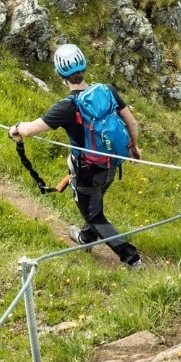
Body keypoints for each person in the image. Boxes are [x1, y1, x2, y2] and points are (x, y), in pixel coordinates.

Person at [9, 43, 144, 267]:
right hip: (112, 163)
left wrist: (14, 128)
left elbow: (29, 130)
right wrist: (135, 148)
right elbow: (132, 122)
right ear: (84, 66)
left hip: (87, 171)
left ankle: (132, 258)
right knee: (93, 204)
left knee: (94, 215)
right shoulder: (107, 90)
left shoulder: (66, 107)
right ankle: (85, 238)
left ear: (60, 74)